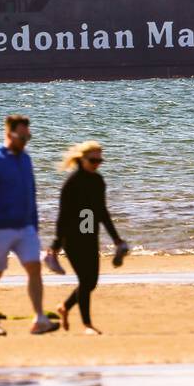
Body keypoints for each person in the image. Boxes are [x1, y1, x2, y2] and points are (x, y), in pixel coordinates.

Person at [0, 114, 57, 337]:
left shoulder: (25, 159)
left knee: (34, 268)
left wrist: (35, 224)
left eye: (28, 136)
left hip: (25, 228)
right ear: (9, 134)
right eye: (22, 137)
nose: (25, 141)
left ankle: (39, 318)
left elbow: (31, 193)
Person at [46, 141, 128, 335]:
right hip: (72, 239)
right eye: (93, 160)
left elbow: (101, 212)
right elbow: (63, 215)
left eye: (100, 160)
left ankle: (64, 307)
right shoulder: (72, 183)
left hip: (90, 234)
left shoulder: (98, 181)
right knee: (85, 280)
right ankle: (87, 325)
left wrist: (116, 239)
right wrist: (57, 244)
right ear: (81, 159)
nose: (96, 163)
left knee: (91, 282)